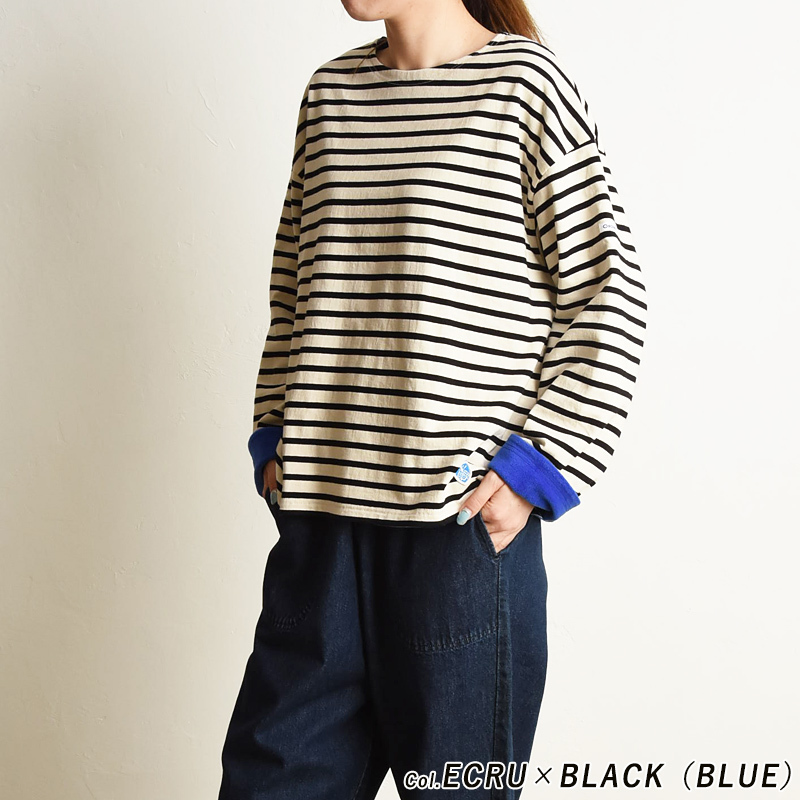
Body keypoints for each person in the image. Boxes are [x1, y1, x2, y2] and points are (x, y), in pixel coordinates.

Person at [218, 0, 647, 797]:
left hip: (455, 540)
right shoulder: (331, 95)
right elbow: (294, 289)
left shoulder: (527, 86)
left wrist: (536, 471)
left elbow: (608, 293)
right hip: (321, 535)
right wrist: (274, 437)